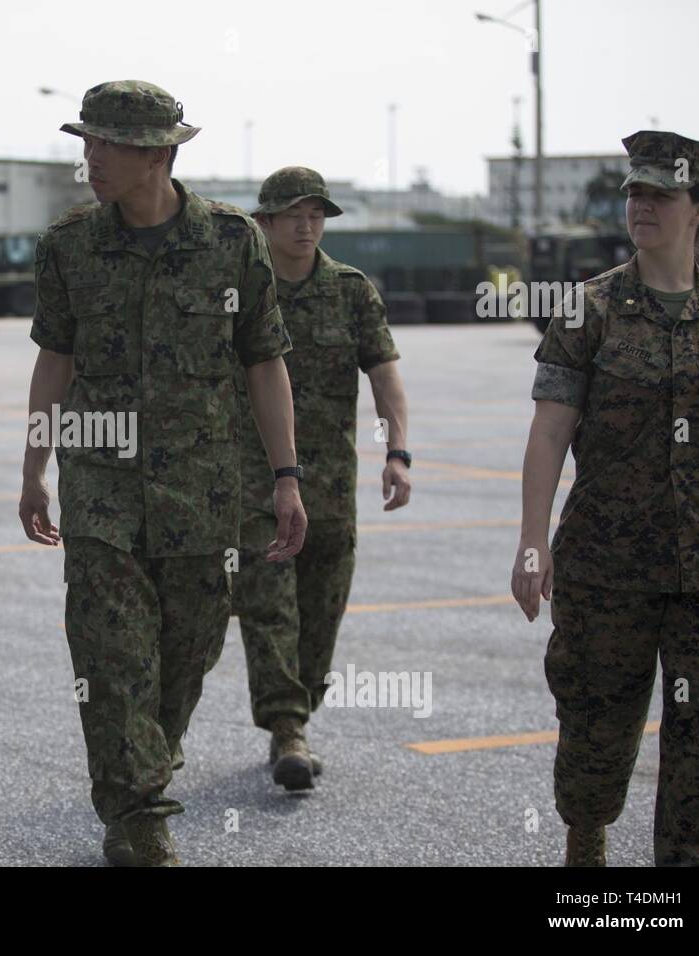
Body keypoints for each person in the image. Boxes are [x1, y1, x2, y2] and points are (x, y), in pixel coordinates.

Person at [19, 80, 305, 866]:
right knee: (109, 651)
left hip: (204, 490)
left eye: (104, 144)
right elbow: (55, 358)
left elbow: (264, 360)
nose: (90, 158)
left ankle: (147, 759)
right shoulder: (70, 246)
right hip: (100, 484)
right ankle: (138, 811)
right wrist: (33, 467)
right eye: (87, 141)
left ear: (158, 153)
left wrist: (286, 476)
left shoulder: (232, 241)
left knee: (188, 647)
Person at [512, 130, 699, 866]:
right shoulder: (587, 312)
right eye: (635, 192)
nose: (642, 206)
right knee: (596, 726)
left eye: (661, 195)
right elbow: (548, 436)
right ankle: (587, 844)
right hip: (607, 568)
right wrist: (532, 542)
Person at [229, 167, 411, 791]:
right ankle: (288, 729)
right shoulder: (241, 292)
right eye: (293, 215)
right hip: (256, 485)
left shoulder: (351, 291)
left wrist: (398, 452)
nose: (306, 225)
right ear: (266, 222)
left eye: (316, 214)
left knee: (321, 612)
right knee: (269, 609)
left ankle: (298, 714)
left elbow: (384, 375)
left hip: (330, 488)